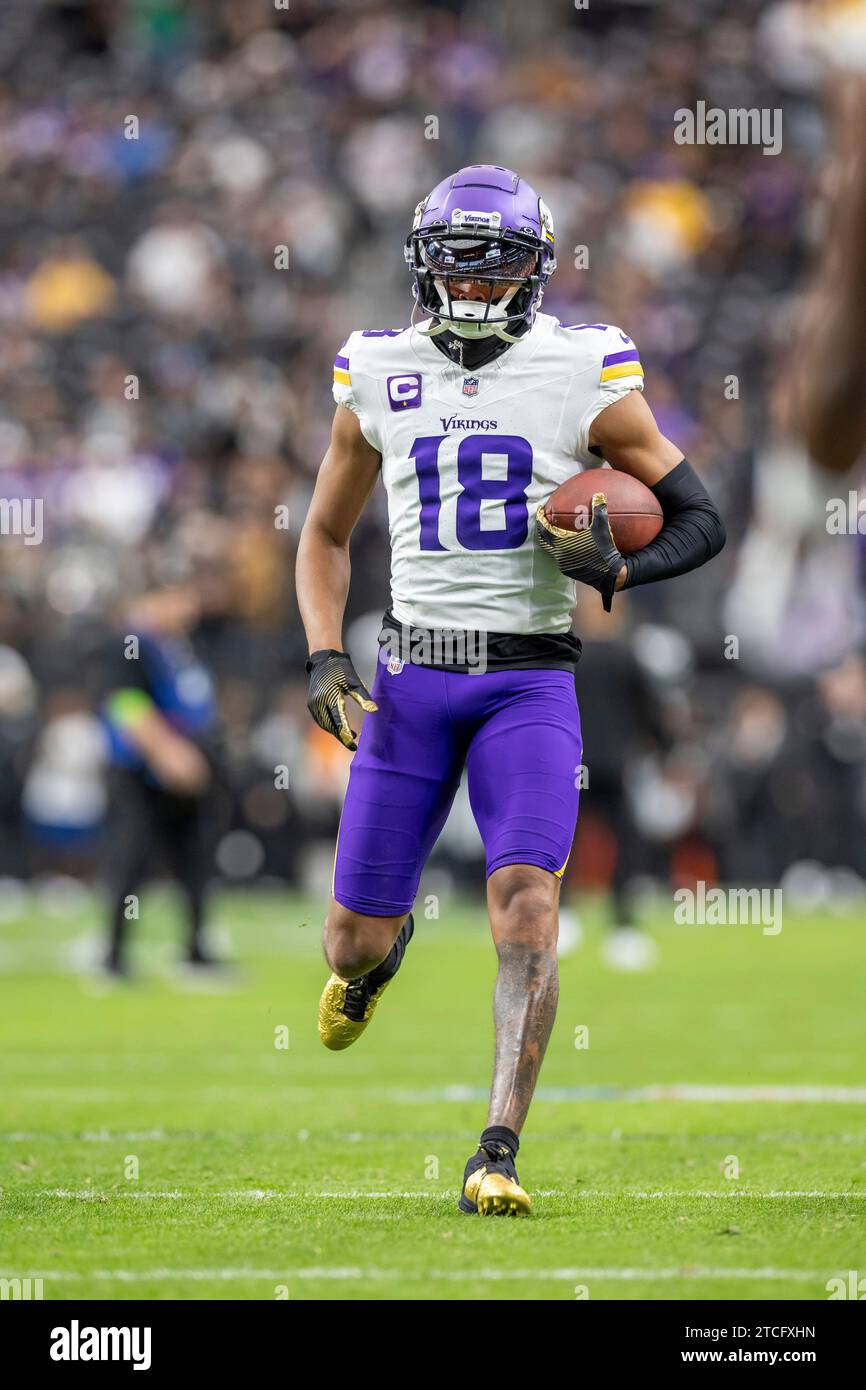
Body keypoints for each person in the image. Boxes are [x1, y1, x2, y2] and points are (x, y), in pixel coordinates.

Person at [296, 165, 725, 1215]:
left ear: (536, 271)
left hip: (528, 682)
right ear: (423, 266)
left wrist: (617, 570)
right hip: (409, 681)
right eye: (460, 267)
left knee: (527, 908)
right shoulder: (377, 368)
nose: (479, 291)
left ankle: (496, 1149)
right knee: (347, 938)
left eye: (499, 271)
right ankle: (377, 955)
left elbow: (698, 518)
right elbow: (321, 533)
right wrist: (321, 651)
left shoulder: (580, 369)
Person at [99, 580, 221, 976]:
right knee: (131, 861)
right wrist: (168, 754)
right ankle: (114, 956)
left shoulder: (180, 646)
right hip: (142, 774)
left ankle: (196, 949)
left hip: (188, 778)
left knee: (196, 862)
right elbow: (124, 702)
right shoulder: (132, 643)